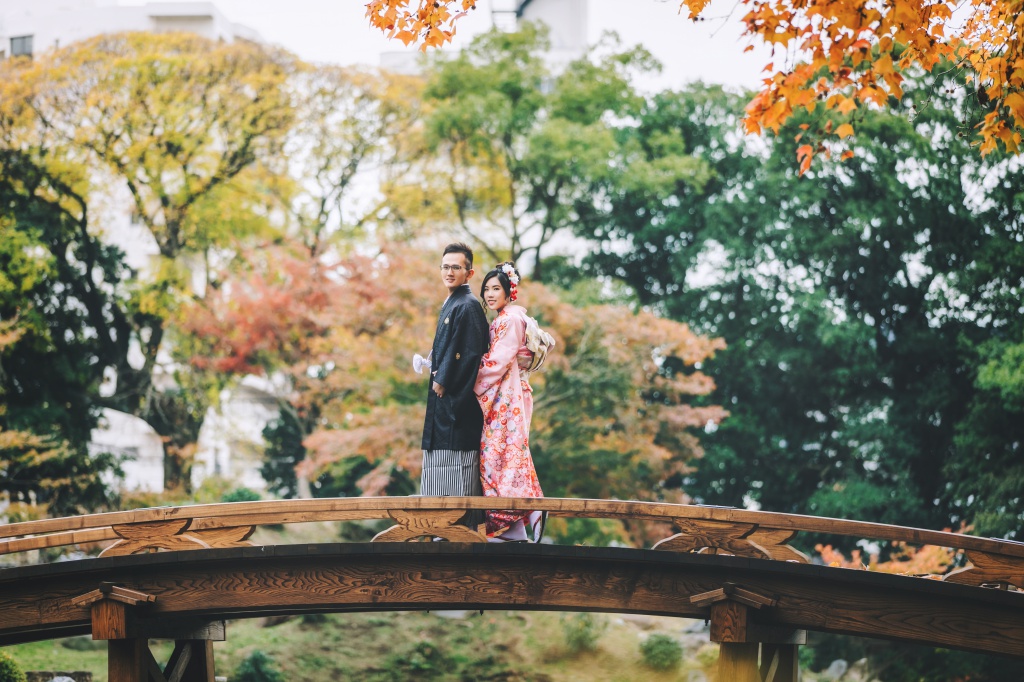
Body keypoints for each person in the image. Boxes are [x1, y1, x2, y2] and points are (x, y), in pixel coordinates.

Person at [419, 243, 490, 528]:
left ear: (469, 273)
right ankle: (438, 532)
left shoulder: (469, 305)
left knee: (457, 475)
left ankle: (456, 535)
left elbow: (470, 353)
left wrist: (443, 379)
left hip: (456, 410)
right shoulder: (453, 303)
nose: (449, 272)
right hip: (443, 409)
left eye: (456, 267)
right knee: (438, 473)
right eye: (445, 266)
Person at [474, 262, 545, 542]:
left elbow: (496, 362)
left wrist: (466, 376)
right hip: (511, 392)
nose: (490, 294)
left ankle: (534, 507)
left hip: (508, 395)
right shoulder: (506, 318)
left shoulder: (510, 320)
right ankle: (517, 527)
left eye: (497, 288)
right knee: (509, 454)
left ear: (509, 291)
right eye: (487, 289)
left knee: (500, 455)